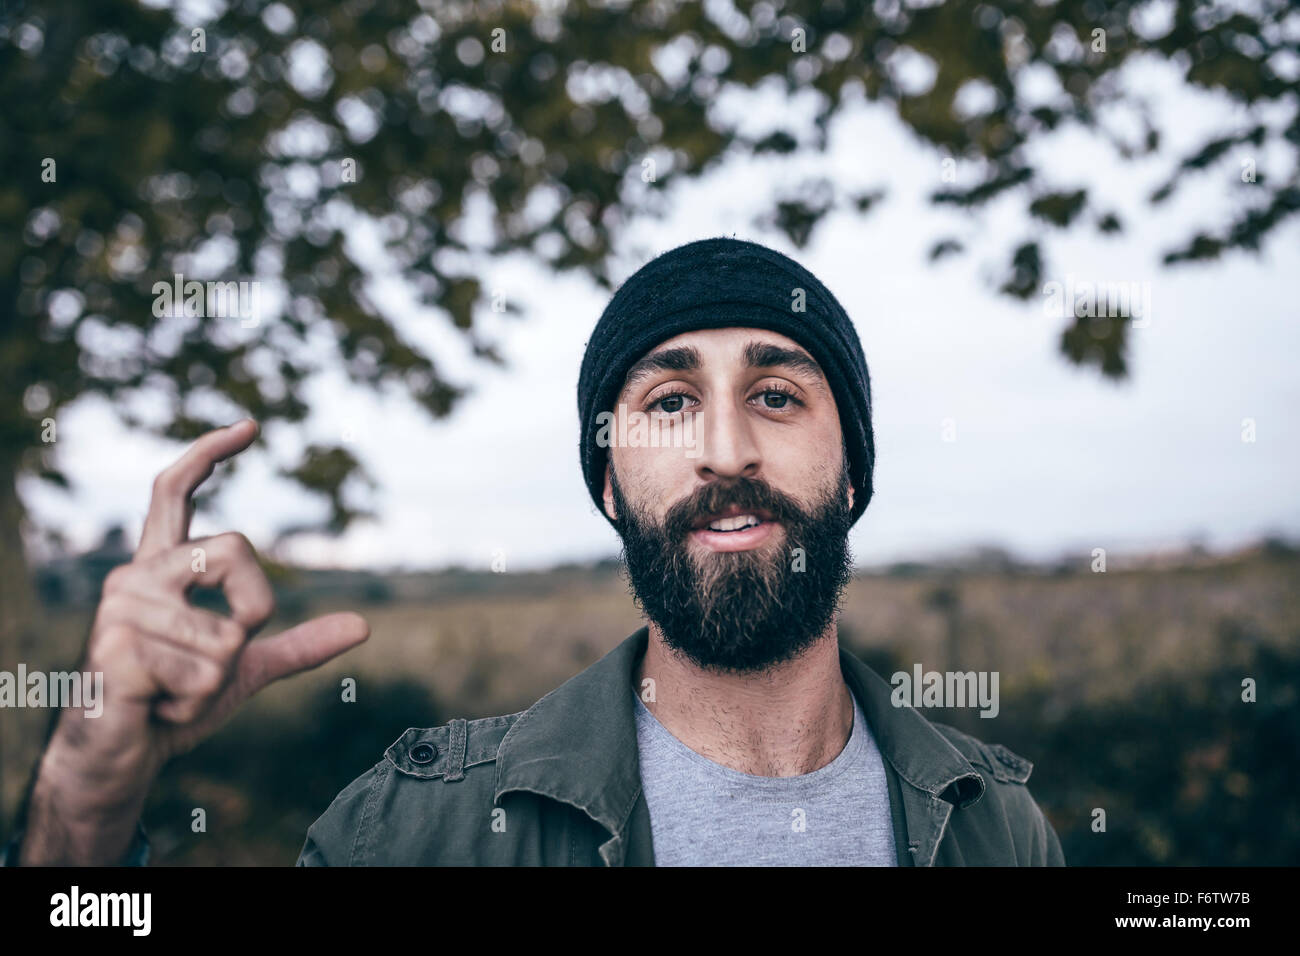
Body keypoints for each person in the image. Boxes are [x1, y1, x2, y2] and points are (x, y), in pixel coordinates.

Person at [5, 236, 1064, 866]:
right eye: (669, 401)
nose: (726, 449)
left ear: (850, 472)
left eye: (777, 395)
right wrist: (83, 807)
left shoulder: (999, 826)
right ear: (608, 480)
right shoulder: (415, 830)